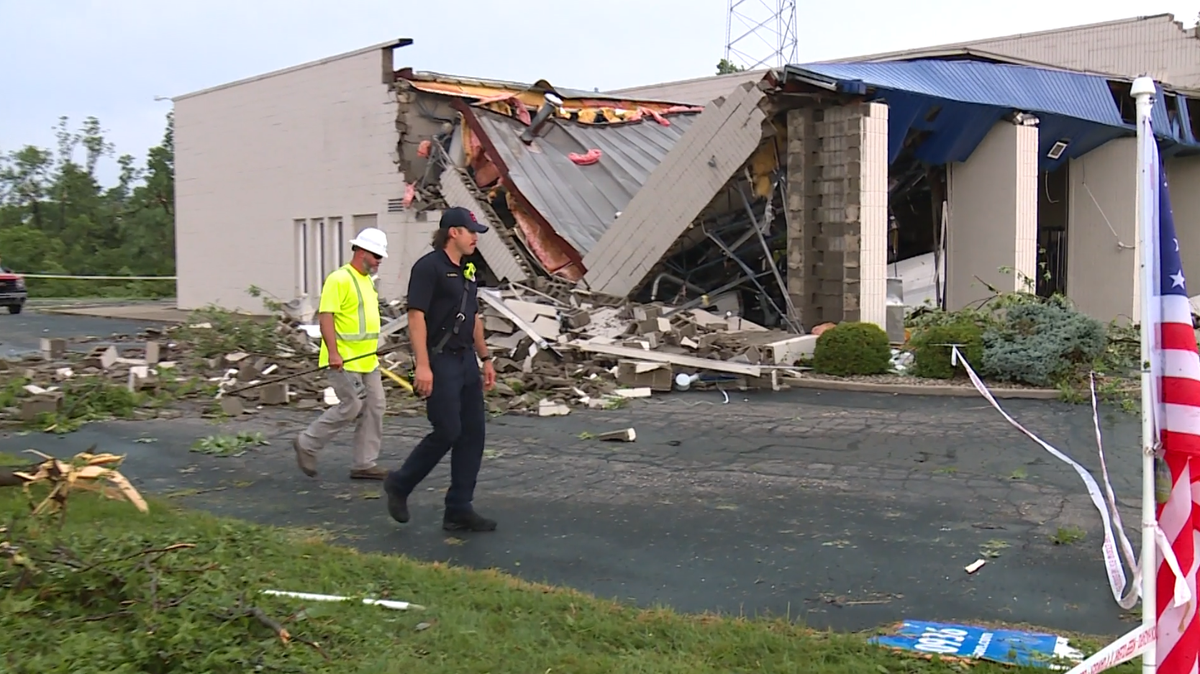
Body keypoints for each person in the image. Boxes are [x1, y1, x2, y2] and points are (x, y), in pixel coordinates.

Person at [383, 207, 497, 532]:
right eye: (470, 231)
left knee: (473, 434)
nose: (476, 237)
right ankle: (400, 484)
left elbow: (473, 316)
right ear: (453, 233)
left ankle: (459, 508)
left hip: (465, 362)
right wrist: (422, 365)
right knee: (447, 430)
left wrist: (485, 358)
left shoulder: (469, 270)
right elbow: (415, 317)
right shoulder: (428, 268)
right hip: (440, 359)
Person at [293, 227, 391, 481]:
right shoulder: (339, 279)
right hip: (344, 360)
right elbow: (326, 317)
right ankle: (307, 443)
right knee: (352, 405)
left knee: (376, 406)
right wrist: (334, 353)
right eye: (377, 256)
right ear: (361, 252)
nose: (379, 261)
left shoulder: (367, 281)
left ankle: (364, 464)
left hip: (367, 359)